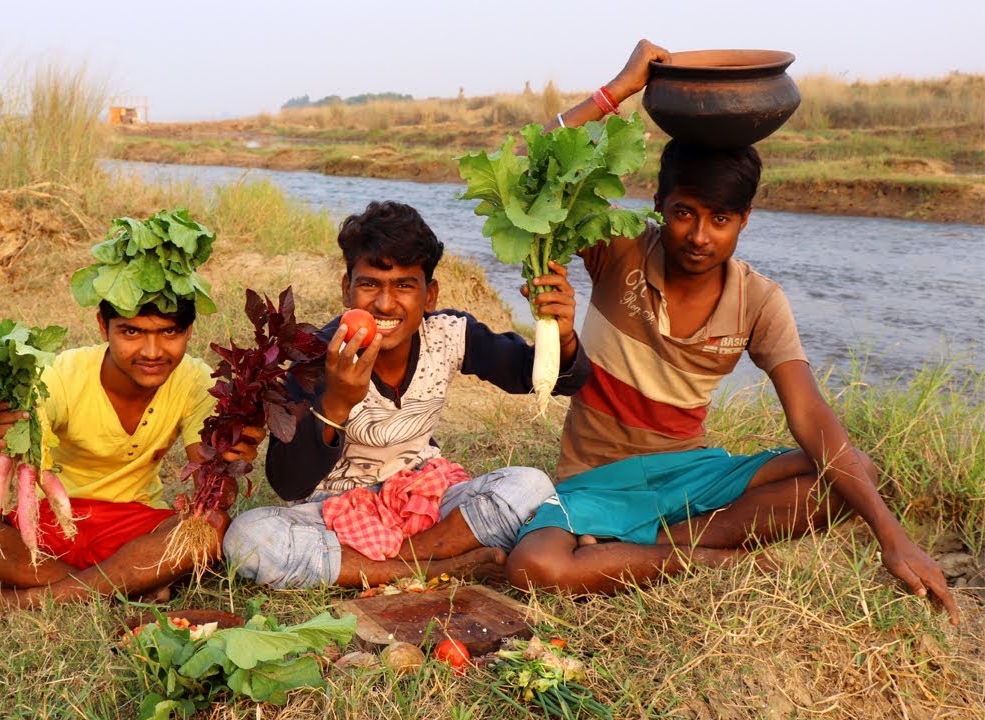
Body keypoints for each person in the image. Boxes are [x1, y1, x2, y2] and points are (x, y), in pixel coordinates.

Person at [505, 40, 960, 624]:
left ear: (744, 220)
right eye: (684, 212)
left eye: (720, 219)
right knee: (534, 567)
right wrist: (618, 88)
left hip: (694, 475)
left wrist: (891, 536)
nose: (699, 235)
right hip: (596, 482)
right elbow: (522, 173)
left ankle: (655, 548)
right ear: (660, 206)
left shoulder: (758, 301)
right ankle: (703, 559)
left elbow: (810, 415)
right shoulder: (617, 250)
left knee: (854, 478)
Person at [222, 200, 591, 589]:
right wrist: (337, 402)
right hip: (334, 513)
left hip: (424, 498)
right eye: (369, 284)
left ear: (429, 295)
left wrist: (561, 334)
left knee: (530, 485)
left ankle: (383, 565)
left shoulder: (450, 334)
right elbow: (288, 484)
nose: (384, 303)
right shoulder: (316, 355)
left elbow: (543, 377)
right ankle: (440, 567)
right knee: (250, 539)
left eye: (403, 285)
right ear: (346, 289)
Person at [0, 298, 265, 629]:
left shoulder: (195, 381)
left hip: (135, 534)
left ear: (188, 330)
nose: (152, 352)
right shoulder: (61, 376)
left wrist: (227, 458)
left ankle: (26, 601)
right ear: (102, 326)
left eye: (169, 332)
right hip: (42, 533)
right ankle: (122, 587)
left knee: (212, 527)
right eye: (131, 332)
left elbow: (213, 488)